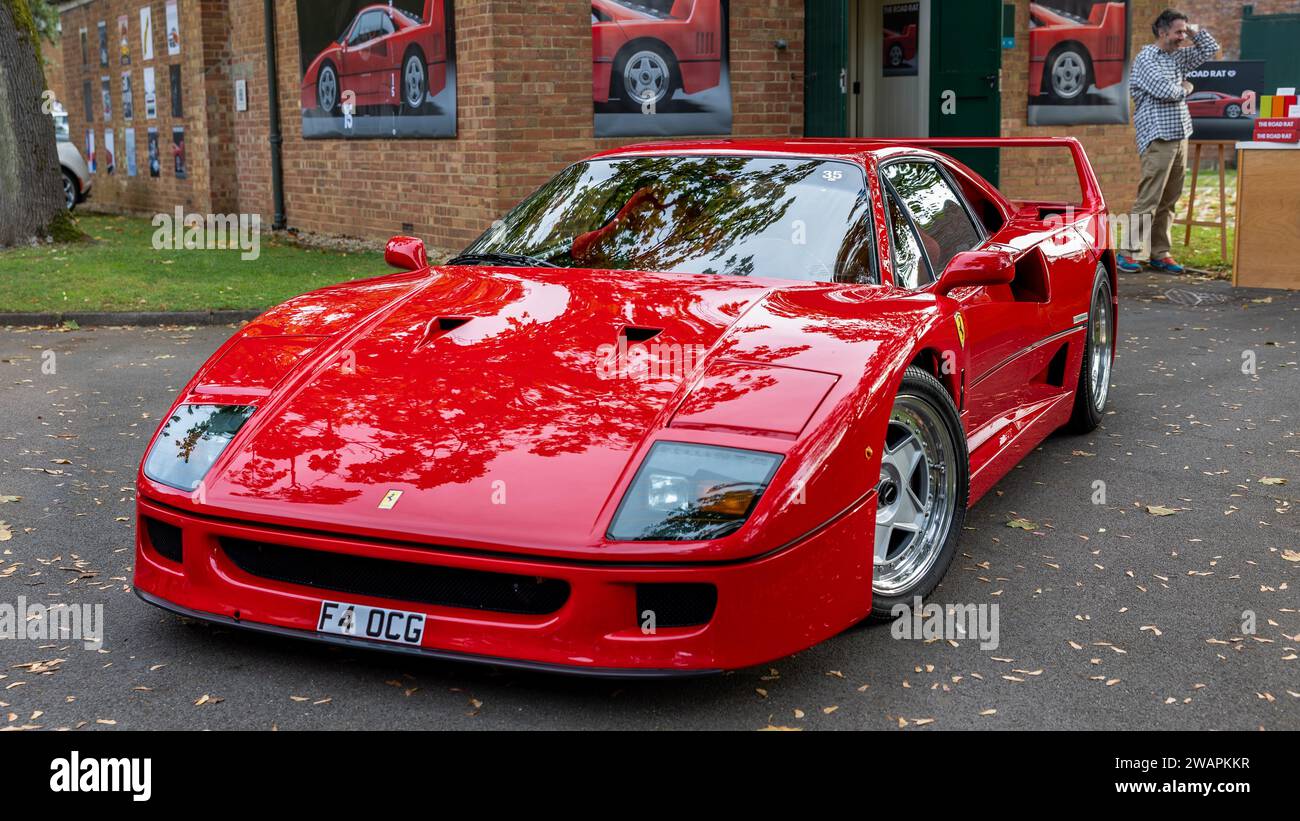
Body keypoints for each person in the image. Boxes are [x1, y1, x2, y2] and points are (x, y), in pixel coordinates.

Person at [1118, 9, 1218, 274]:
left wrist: (1192, 28)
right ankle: (1127, 252)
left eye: (1184, 32)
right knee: (1149, 197)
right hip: (1158, 136)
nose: (1182, 37)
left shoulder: (1179, 56)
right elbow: (1167, 92)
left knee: (1170, 199)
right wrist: (1187, 88)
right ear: (1162, 32)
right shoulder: (1147, 59)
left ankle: (1159, 253)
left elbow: (1210, 49)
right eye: (1178, 32)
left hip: (1180, 134)